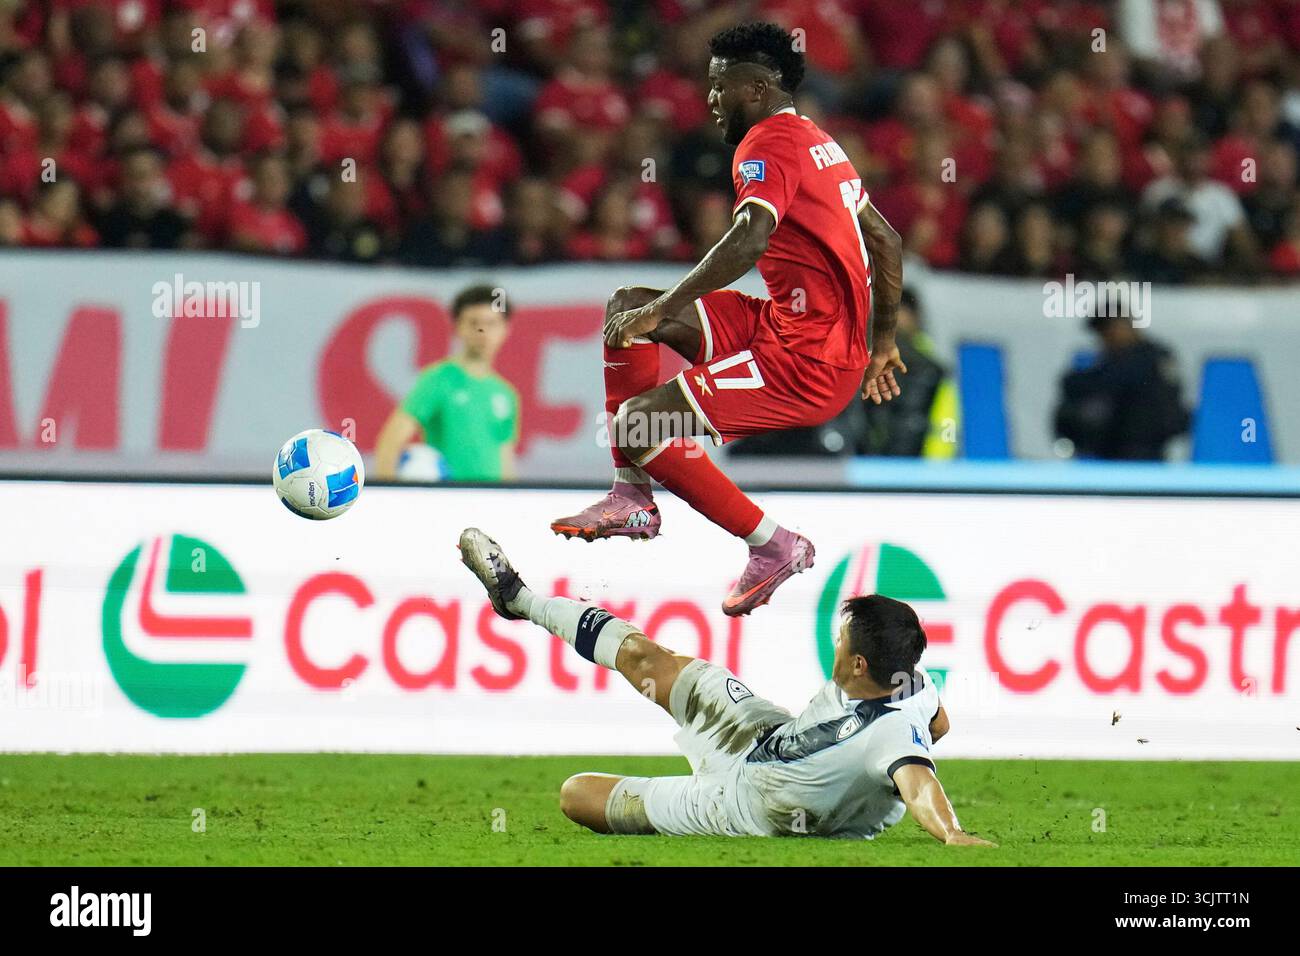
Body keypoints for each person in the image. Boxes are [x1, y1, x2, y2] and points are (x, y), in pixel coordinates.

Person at [550, 22, 906, 617]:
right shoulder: (820, 142)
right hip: (782, 326)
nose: (710, 100)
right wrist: (885, 341)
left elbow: (748, 239)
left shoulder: (766, 142)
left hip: (805, 363)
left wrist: (666, 307)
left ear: (760, 89)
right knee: (625, 307)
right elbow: (887, 242)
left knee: (639, 424)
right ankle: (631, 496)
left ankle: (773, 545)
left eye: (721, 87)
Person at [457, 528, 995, 844]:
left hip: (743, 806)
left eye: (839, 640)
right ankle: (519, 600)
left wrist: (951, 833)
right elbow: (937, 722)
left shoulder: (891, 737)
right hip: (762, 735)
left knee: (576, 795)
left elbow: (920, 781)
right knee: (648, 657)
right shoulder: (913, 684)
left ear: (857, 664)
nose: (833, 644)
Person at [373, 284, 519, 482]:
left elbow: (505, 459)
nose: (483, 332)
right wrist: (389, 497)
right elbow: (391, 440)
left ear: (505, 328)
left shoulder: (505, 393)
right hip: (448, 503)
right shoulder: (439, 379)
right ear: (458, 327)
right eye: (474, 323)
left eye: (491, 323)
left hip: (491, 505)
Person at [1054, 312, 1191, 461]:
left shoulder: (1152, 360)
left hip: (1145, 452)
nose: (1106, 339)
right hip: (1104, 454)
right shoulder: (1105, 363)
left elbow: (1122, 383)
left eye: (1108, 332)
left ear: (1123, 325)